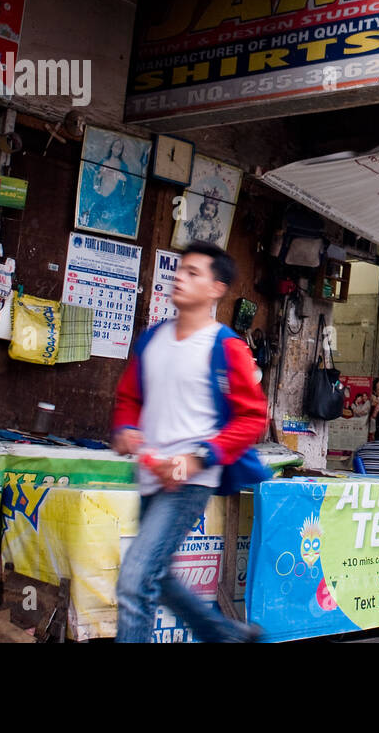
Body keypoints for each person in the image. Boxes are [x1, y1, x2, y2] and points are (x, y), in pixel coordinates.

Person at [110, 241, 270, 643]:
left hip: (190, 479)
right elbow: (130, 397)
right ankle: (227, 636)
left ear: (217, 288)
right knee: (156, 577)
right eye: (179, 270)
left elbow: (252, 418)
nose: (179, 277)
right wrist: (125, 428)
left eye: (193, 273)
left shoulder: (226, 347)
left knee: (135, 580)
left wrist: (200, 457)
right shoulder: (152, 340)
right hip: (149, 474)